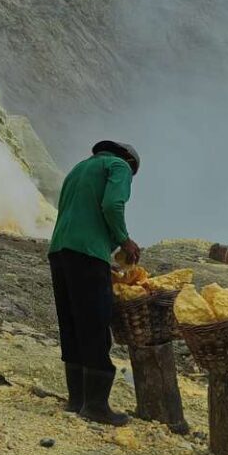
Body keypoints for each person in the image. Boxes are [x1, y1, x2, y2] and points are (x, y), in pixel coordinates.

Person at [48, 140, 140, 425]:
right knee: (95, 324)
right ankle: (97, 405)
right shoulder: (119, 166)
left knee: (72, 324)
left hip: (60, 251)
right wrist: (124, 240)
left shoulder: (79, 168)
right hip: (87, 253)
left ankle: (76, 400)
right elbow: (112, 204)